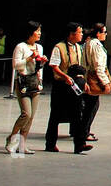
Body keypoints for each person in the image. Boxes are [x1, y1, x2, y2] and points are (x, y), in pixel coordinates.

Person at [45, 22, 91, 154]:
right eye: (79, 32)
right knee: (55, 115)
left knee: (77, 114)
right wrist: (64, 76)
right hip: (61, 85)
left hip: (75, 84)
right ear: (72, 34)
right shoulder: (59, 47)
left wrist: (84, 82)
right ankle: (50, 143)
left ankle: (79, 144)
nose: (82, 34)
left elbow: (80, 67)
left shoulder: (78, 48)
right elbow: (54, 65)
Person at [8, 21, 44, 155]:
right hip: (23, 82)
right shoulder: (21, 47)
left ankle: (22, 144)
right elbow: (16, 65)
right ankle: (12, 138)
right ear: (30, 32)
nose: (39, 33)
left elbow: (38, 67)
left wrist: (41, 64)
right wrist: (29, 58)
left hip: (35, 82)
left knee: (31, 116)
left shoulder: (39, 47)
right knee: (26, 113)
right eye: (37, 30)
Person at [82, 23, 111, 142]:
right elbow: (98, 66)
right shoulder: (96, 45)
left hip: (88, 75)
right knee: (92, 106)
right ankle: (84, 132)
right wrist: (105, 82)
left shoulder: (89, 43)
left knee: (90, 105)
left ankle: (84, 130)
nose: (106, 35)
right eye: (104, 32)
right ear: (98, 33)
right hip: (93, 77)